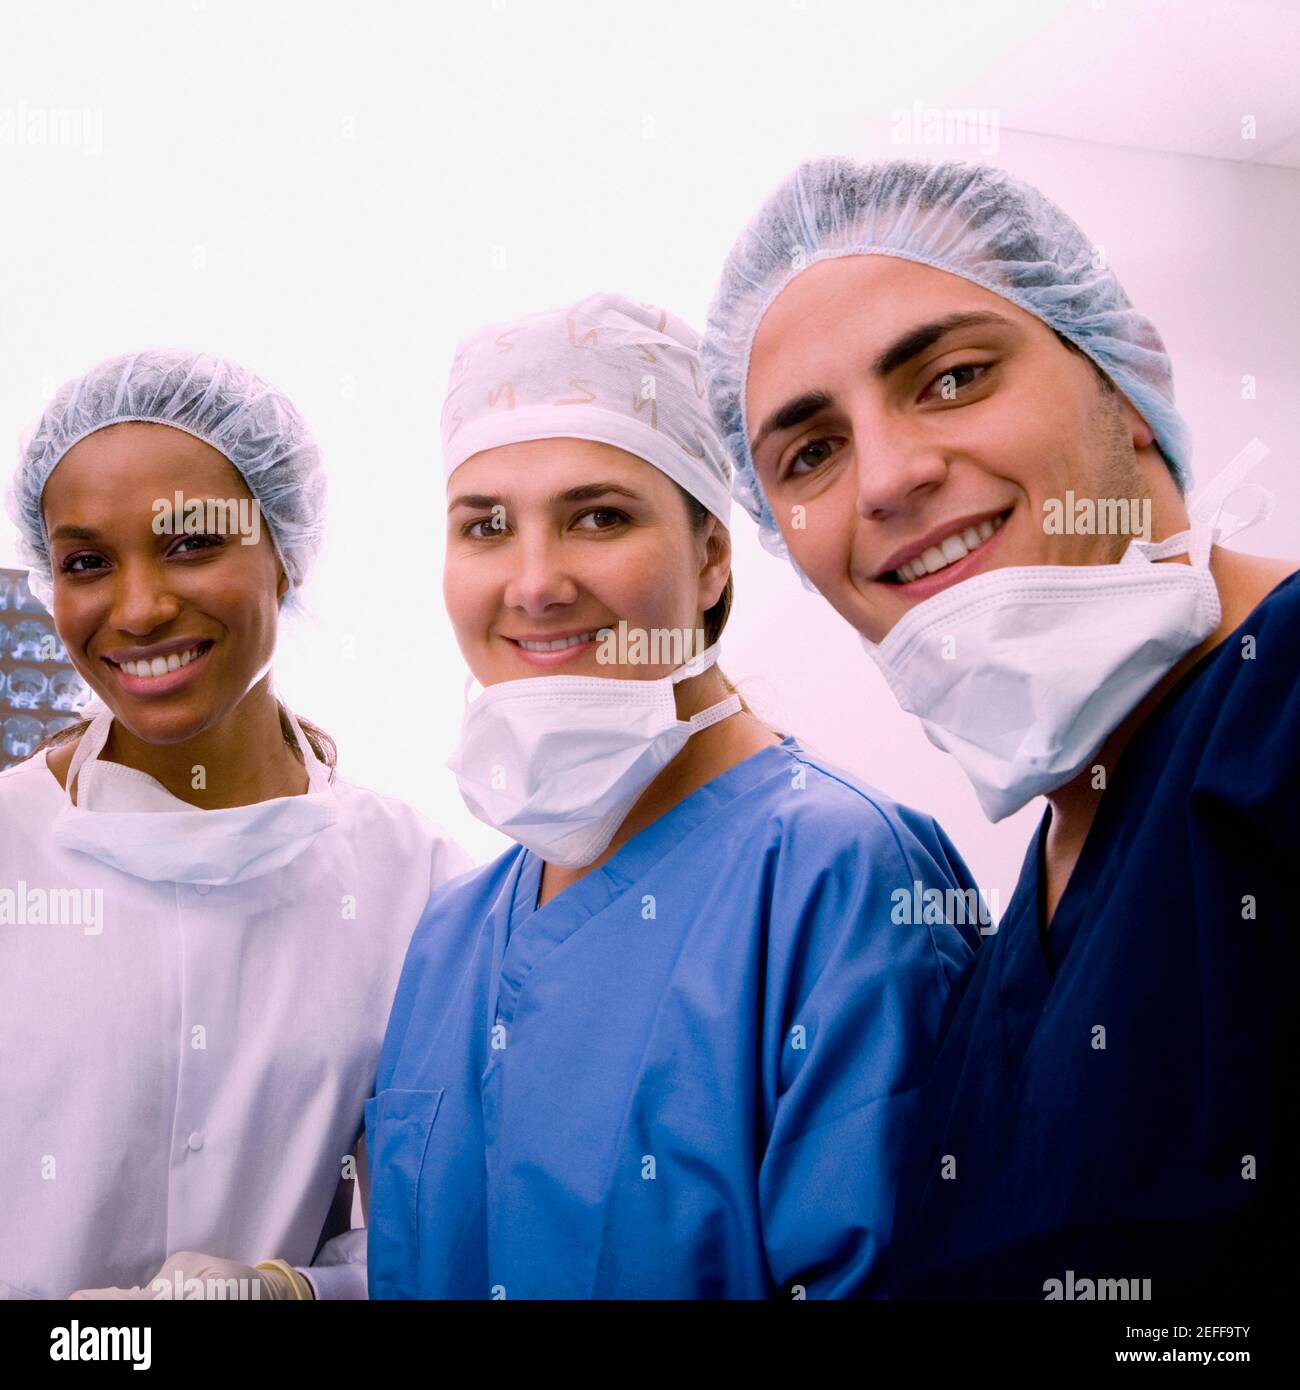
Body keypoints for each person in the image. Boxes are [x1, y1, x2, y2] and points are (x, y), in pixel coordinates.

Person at [699, 157, 1299, 1297]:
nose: (884, 478)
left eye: (953, 376)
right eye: (810, 452)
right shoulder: (1018, 932)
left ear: (1127, 380)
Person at [364, 292, 982, 1300]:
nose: (533, 583)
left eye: (596, 516)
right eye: (484, 526)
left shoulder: (841, 879)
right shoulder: (452, 934)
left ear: (710, 556)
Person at [0, 349, 469, 1301]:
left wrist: (295, 1294)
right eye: (87, 562)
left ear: (286, 550)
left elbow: (445, 1240)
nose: (139, 608)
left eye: (190, 545)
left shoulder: (416, 887)